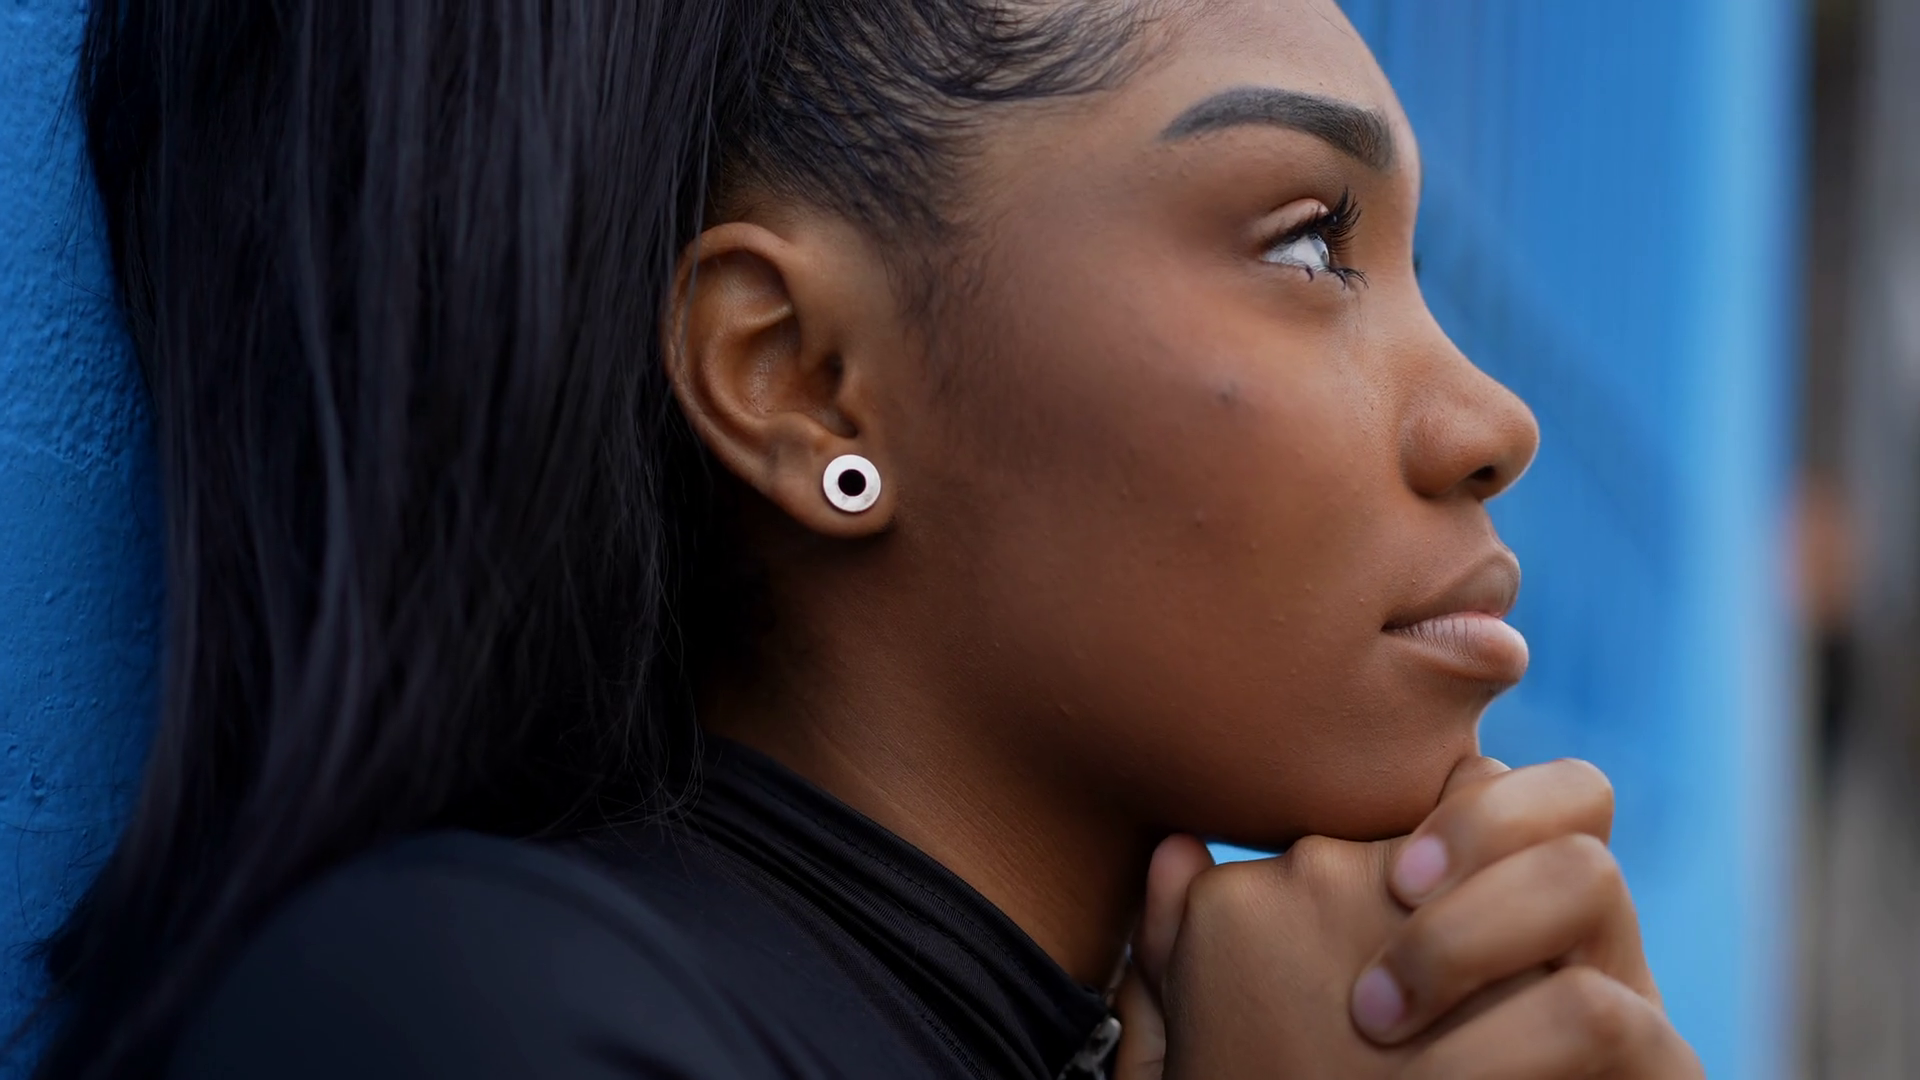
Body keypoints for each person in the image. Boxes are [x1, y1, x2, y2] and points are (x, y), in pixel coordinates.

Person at [34, 0, 1703, 1077]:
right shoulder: (448, 1017)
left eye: (1422, 271)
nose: (1493, 420)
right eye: (1306, 244)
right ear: (801, 384)